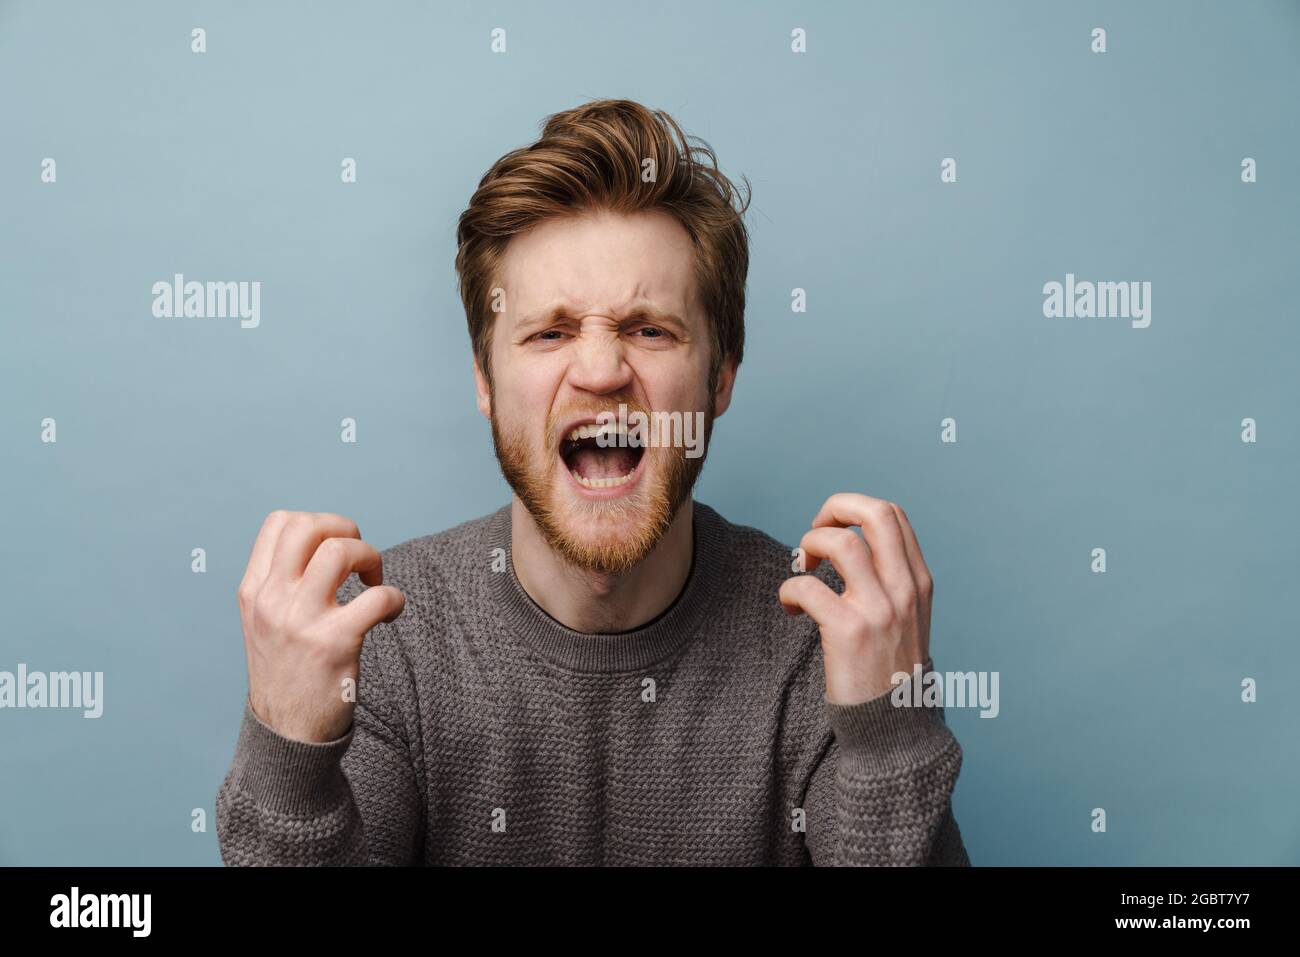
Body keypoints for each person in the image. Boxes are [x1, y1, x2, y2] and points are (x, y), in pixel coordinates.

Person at [215, 98, 970, 866]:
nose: (603, 371)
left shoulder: (824, 645)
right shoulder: (381, 641)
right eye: (550, 332)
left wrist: (888, 734)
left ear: (721, 377)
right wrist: (287, 763)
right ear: (485, 381)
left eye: (650, 329)